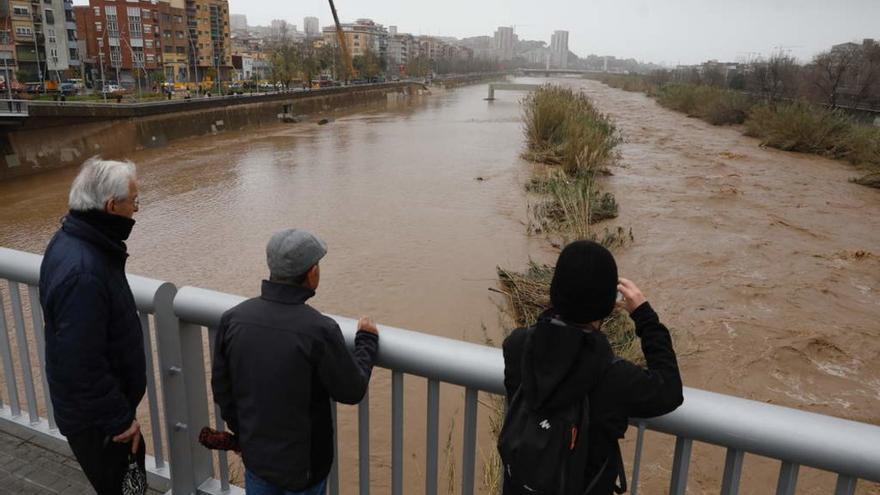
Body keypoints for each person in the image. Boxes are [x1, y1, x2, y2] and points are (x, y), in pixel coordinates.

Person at [500, 240, 683, 495]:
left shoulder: (518, 346)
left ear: (556, 290)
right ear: (608, 305)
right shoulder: (614, 377)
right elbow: (670, 391)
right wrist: (644, 316)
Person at [212, 229, 380, 495]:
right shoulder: (319, 329)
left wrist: (243, 435)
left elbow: (222, 389)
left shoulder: (233, 319)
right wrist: (367, 343)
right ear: (312, 272)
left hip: (257, 460)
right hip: (304, 470)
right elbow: (351, 389)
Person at [39, 157, 146, 494]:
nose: (137, 209)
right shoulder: (84, 270)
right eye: (134, 201)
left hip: (93, 413)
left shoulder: (71, 240)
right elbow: (80, 362)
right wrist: (119, 419)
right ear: (112, 206)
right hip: (101, 422)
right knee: (128, 489)